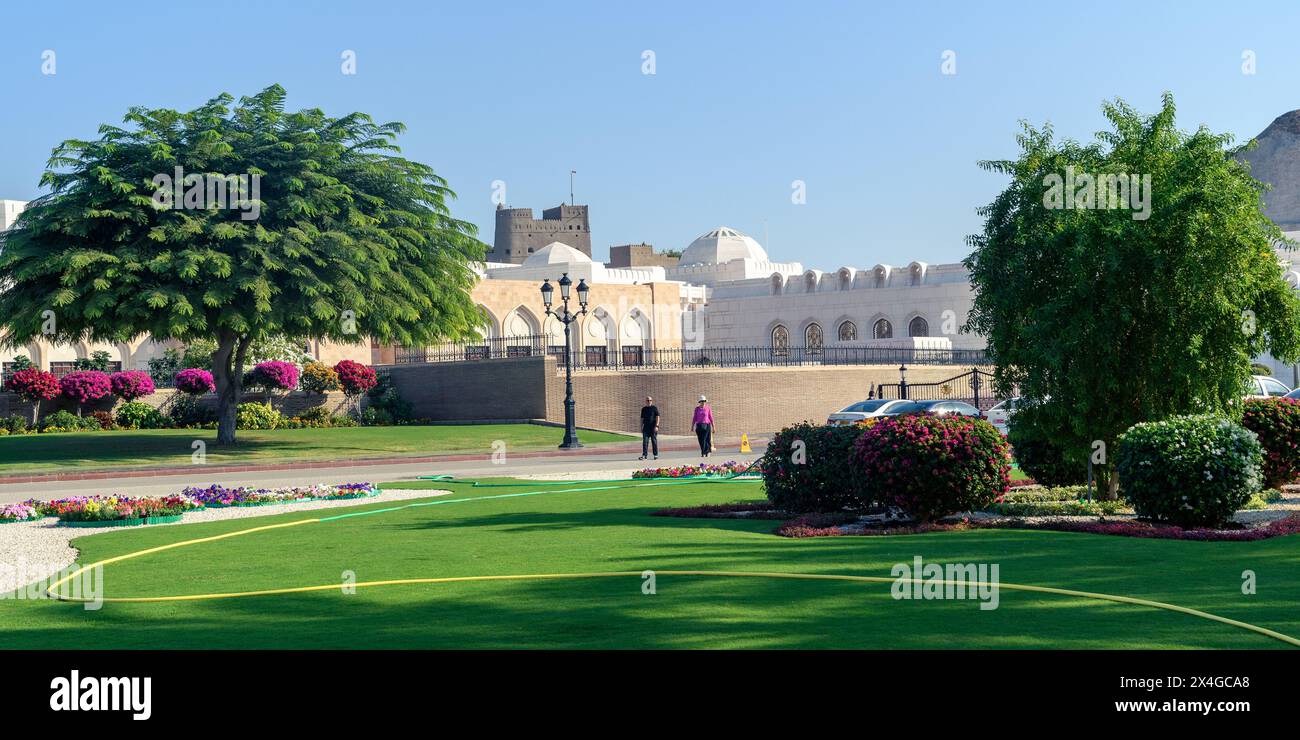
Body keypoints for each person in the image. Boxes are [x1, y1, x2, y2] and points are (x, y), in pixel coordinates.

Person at [638, 396, 660, 460]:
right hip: (646, 428)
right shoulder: (643, 409)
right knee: (645, 442)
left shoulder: (654, 408)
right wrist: (641, 426)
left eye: (650, 400)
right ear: (646, 401)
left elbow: (658, 417)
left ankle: (655, 455)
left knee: (654, 441)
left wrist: (657, 426)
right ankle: (644, 455)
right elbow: (642, 419)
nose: (649, 401)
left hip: (653, 428)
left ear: (652, 401)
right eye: (647, 400)